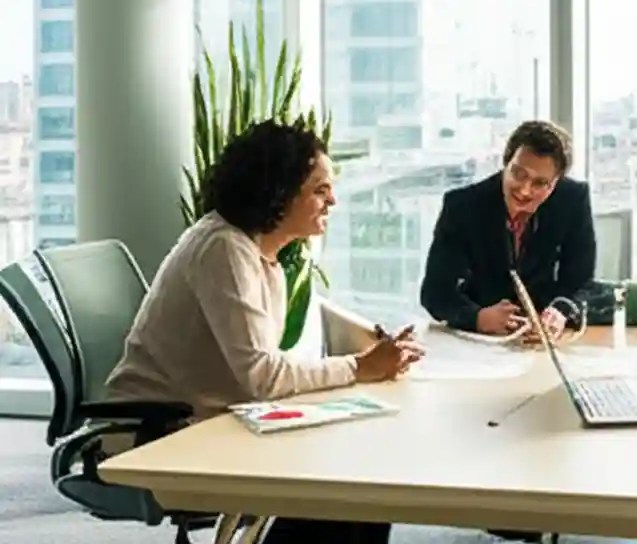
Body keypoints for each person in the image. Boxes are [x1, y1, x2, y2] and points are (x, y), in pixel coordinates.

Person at [105, 119, 422, 544]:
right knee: (341, 486)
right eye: (319, 189)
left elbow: (276, 351)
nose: (333, 200)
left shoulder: (260, 254)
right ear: (278, 191)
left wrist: (369, 347)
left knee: (358, 483)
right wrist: (358, 367)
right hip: (157, 432)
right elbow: (263, 376)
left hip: (205, 417)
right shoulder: (224, 250)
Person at [422, 120, 595, 341]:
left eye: (540, 183)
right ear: (506, 164)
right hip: (479, 340)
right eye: (519, 174)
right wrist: (478, 317)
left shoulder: (573, 200)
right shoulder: (462, 206)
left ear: (555, 184)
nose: (524, 190)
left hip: (540, 337)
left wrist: (560, 311)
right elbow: (434, 293)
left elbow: (581, 279)